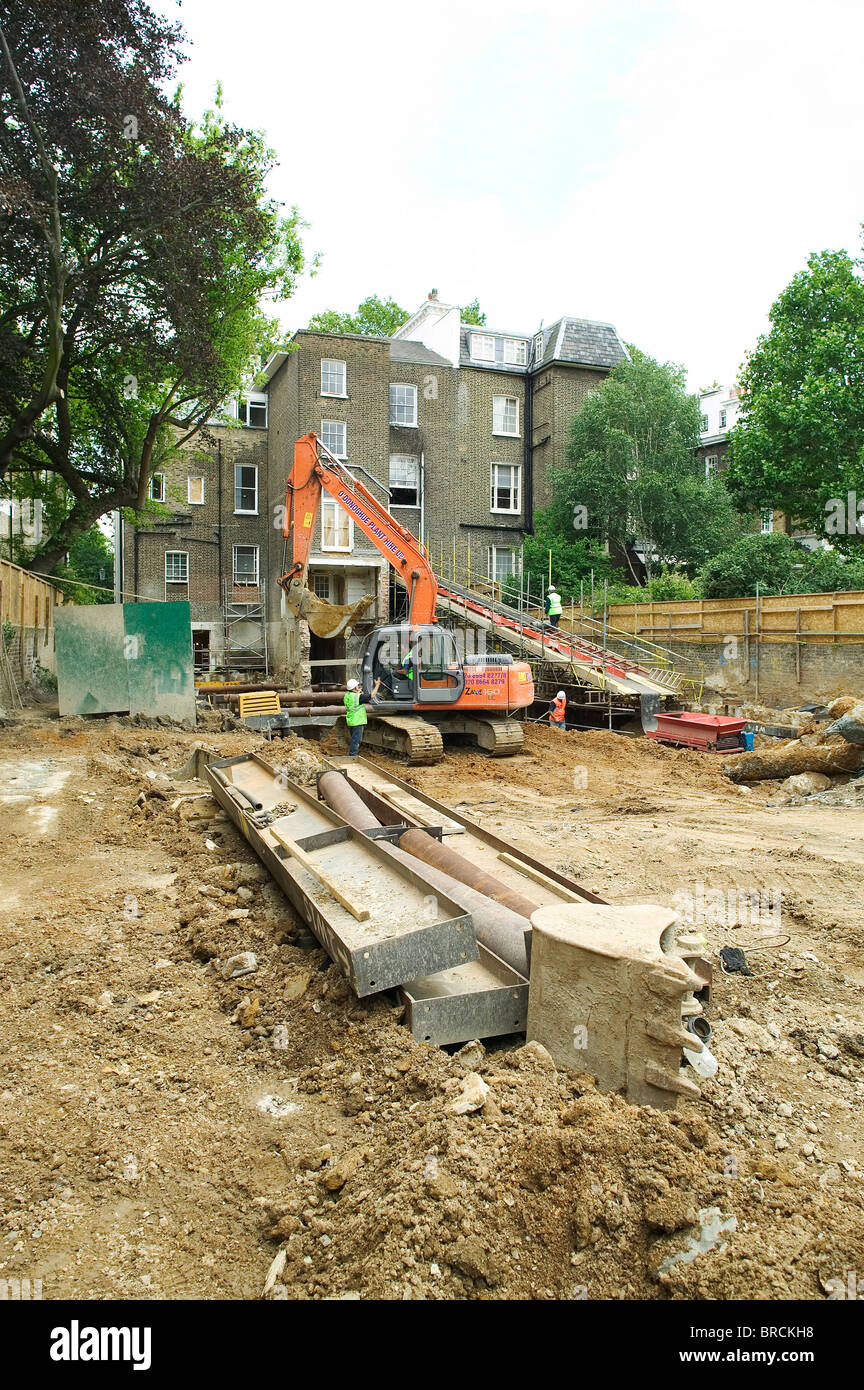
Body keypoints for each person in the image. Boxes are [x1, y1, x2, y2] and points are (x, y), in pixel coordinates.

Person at [344, 676, 381, 757]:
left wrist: (358, 692)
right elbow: (371, 695)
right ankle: (352, 757)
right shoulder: (358, 697)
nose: (359, 686)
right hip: (357, 721)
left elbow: (355, 698)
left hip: (351, 721)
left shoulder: (347, 695)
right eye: (357, 686)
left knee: (354, 739)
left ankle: (352, 755)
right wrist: (377, 685)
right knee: (356, 741)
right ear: (355, 688)